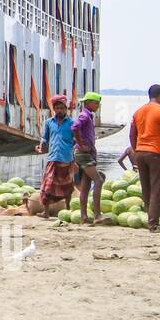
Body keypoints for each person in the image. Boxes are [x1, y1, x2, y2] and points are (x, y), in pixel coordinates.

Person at [128, 85, 160, 231]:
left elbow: (132, 134)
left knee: (146, 188)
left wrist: (135, 149)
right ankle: (153, 224)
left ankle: (148, 218)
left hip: (140, 153)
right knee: (157, 189)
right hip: (157, 154)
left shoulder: (138, 112)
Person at [29, 95, 75, 218]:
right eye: (57, 108)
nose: (60, 110)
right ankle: (46, 211)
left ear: (66, 109)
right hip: (53, 157)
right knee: (47, 186)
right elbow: (45, 138)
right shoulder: (49, 122)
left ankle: (68, 208)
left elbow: (76, 140)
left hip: (67, 158)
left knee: (68, 186)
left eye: (62, 108)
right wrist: (40, 146)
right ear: (54, 109)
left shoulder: (72, 123)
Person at [73, 92, 109, 225]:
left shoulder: (89, 115)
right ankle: (97, 215)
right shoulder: (84, 115)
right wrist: (81, 144)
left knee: (86, 186)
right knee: (98, 180)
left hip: (86, 153)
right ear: (88, 103)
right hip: (84, 154)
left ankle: (84, 217)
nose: (98, 106)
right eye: (96, 103)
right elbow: (75, 127)